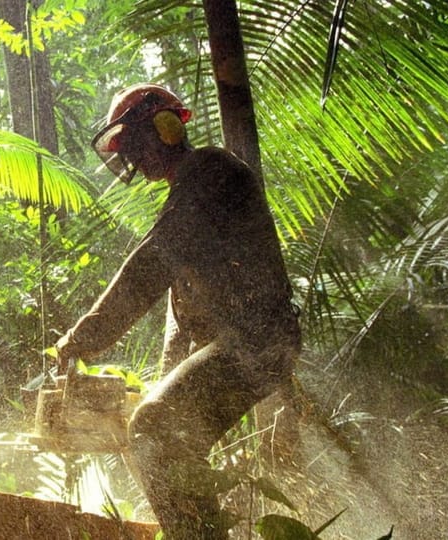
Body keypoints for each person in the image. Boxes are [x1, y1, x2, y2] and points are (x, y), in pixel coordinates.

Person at [54, 83, 301, 539]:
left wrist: (80, 339)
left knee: (155, 426)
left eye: (132, 141)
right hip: (241, 342)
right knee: (157, 425)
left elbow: (150, 263)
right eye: (123, 148)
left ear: (164, 127)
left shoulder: (209, 170)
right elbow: (180, 316)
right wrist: (156, 385)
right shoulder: (186, 195)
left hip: (258, 335)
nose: (130, 155)